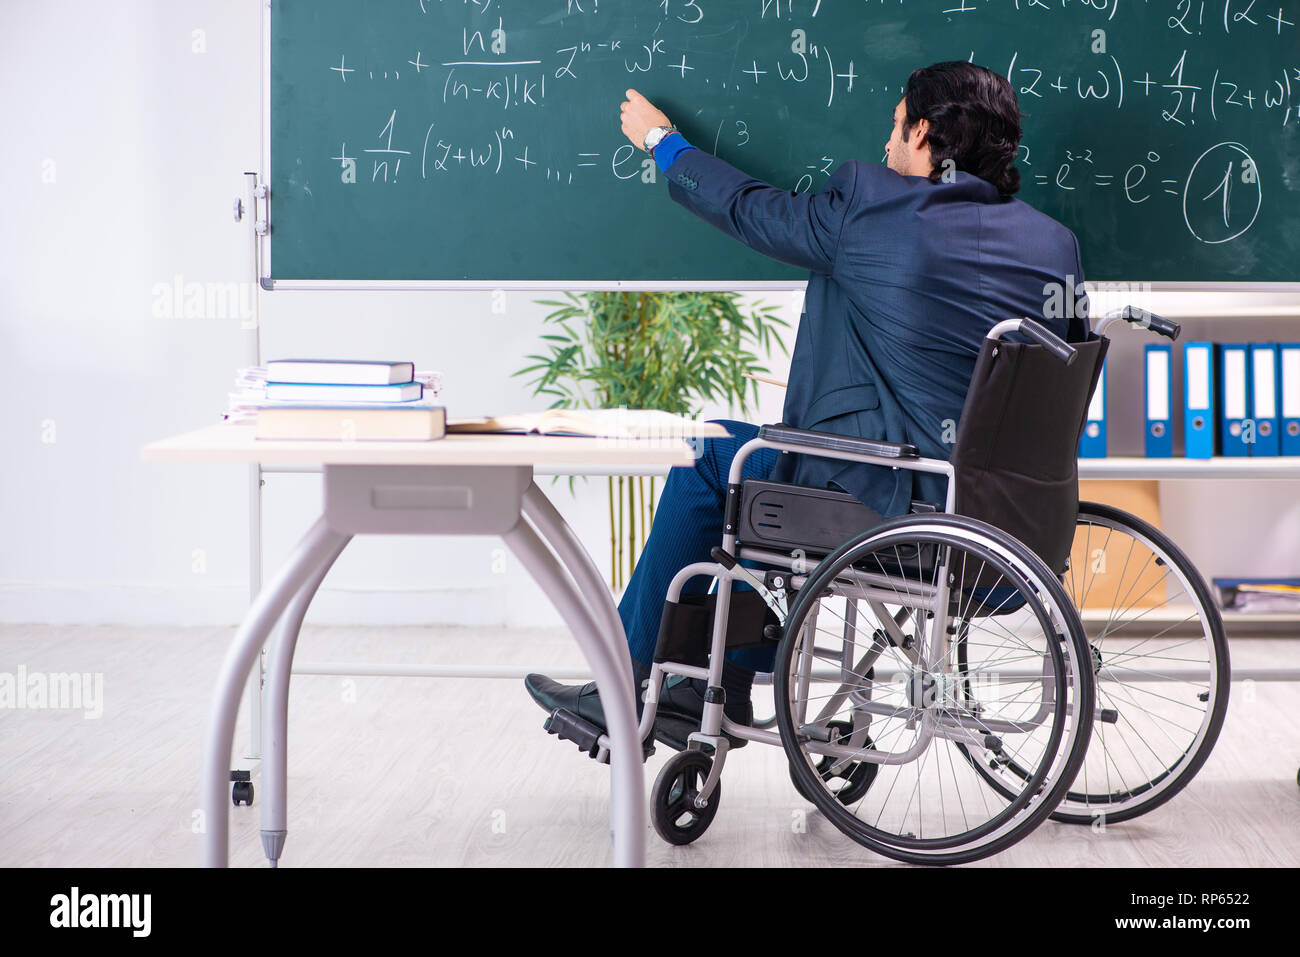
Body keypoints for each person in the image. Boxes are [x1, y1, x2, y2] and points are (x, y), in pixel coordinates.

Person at [524, 61, 1089, 750]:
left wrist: (663, 144)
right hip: (1006, 530)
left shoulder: (871, 206)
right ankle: (710, 686)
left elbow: (751, 210)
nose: (885, 143)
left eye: (893, 124)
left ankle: (626, 681)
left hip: (888, 504)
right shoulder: (1054, 245)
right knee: (766, 468)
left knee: (712, 458)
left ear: (922, 131)